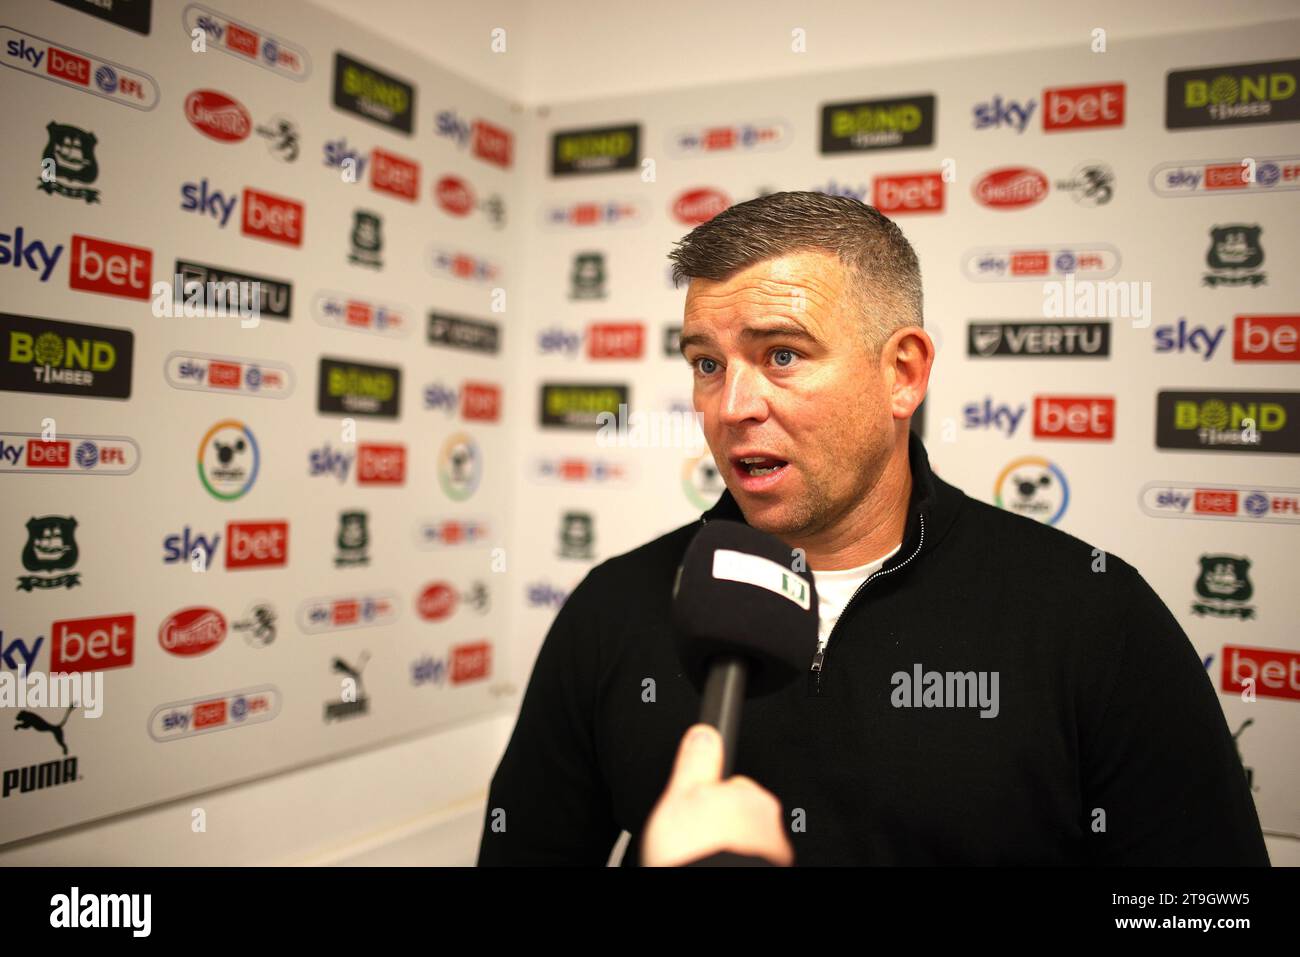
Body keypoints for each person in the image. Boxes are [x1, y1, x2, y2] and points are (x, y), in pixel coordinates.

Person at [478, 192, 1269, 866]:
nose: (731, 406)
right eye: (707, 363)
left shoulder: (1094, 614)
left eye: (781, 355)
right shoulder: (615, 607)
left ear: (903, 373)